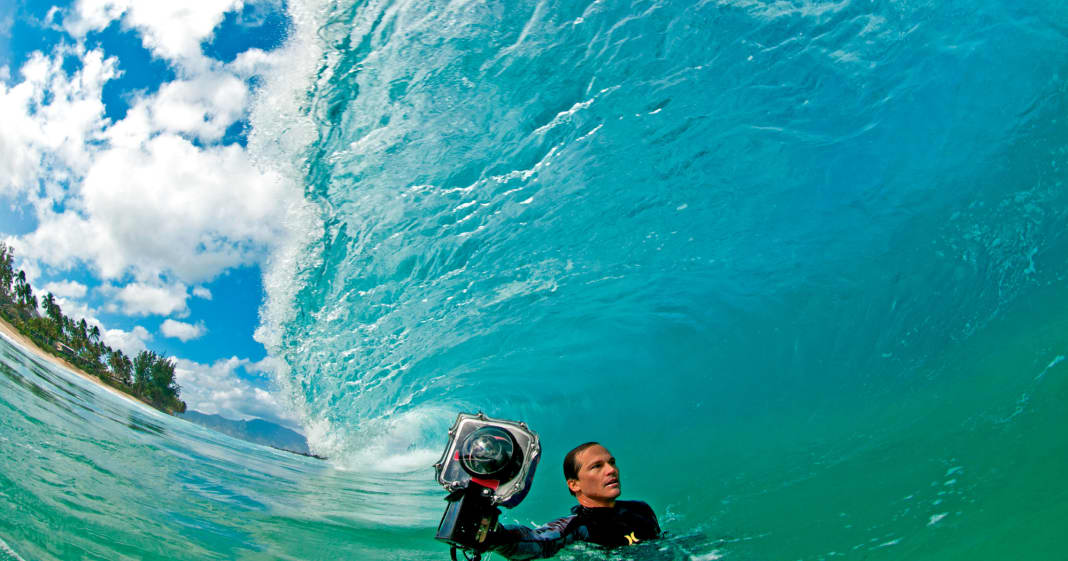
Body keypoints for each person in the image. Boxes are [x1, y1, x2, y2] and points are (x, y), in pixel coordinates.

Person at [487, 442, 661, 560]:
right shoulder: (577, 528)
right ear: (574, 484)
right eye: (597, 466)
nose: (611, 470)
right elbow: (536, 540)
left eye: (612, 462)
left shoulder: (641, 509)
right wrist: (494, 536)